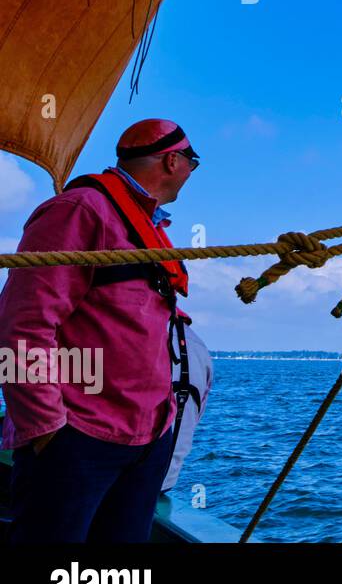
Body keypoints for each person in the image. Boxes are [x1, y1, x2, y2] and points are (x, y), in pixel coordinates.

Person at [1, 118, 199, 542]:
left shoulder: (152, 228)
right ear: (171, 161)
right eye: (191, 163)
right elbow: (23, 324)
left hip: (146, 438)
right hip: (76, 438)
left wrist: (160, 433)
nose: (190, 173)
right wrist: (46, 430)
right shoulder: (80, 210)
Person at [161, 318, 213, 493]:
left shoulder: (129, 326)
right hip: (167, 479)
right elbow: (197, 416)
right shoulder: (199, 345)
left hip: (121, 476)